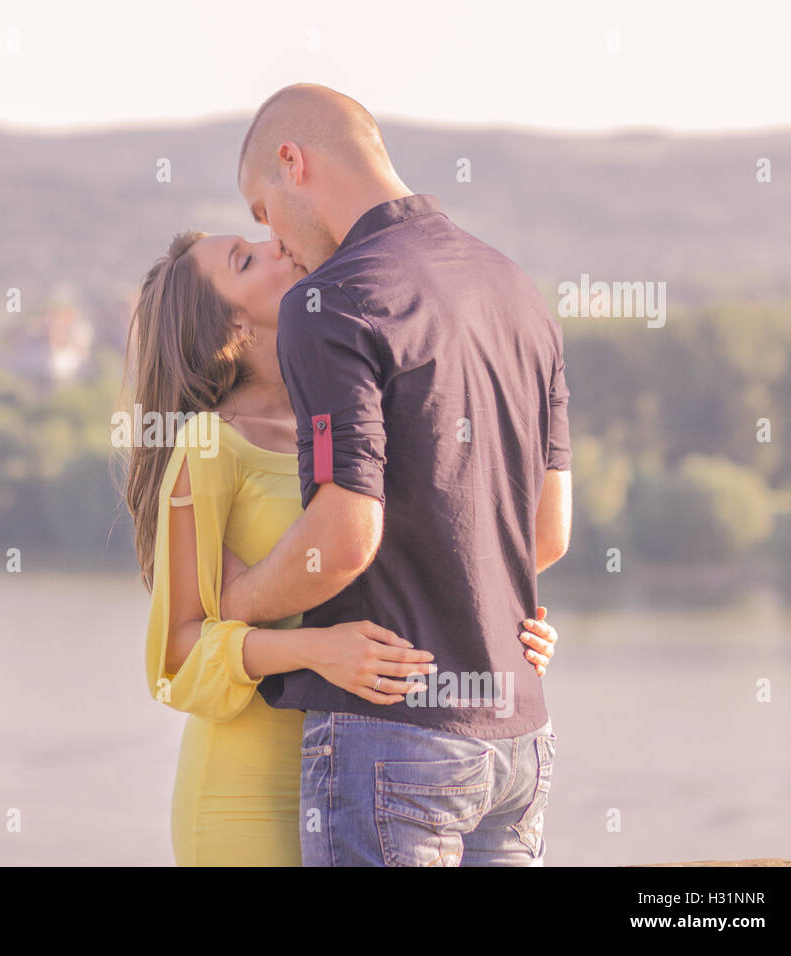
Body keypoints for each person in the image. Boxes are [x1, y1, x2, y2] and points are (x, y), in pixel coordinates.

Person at [121, 226, 561, 866]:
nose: (275, 243)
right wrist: (314, 650)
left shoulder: (351, 424)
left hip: (365, 772)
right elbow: (180, 650)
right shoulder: (211, 447)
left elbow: (429, 564)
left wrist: (509, 632)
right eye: (246, 260)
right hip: (247, 792)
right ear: (229, 329)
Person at [219, 84, 573, 866]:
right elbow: (547, 529)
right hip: (520, 739)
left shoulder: (330, 301)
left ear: (293, 162)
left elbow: (345, 537)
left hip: (392, 739)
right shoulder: (516, 289)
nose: (275, 240)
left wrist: (236, 599)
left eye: (261, 211)